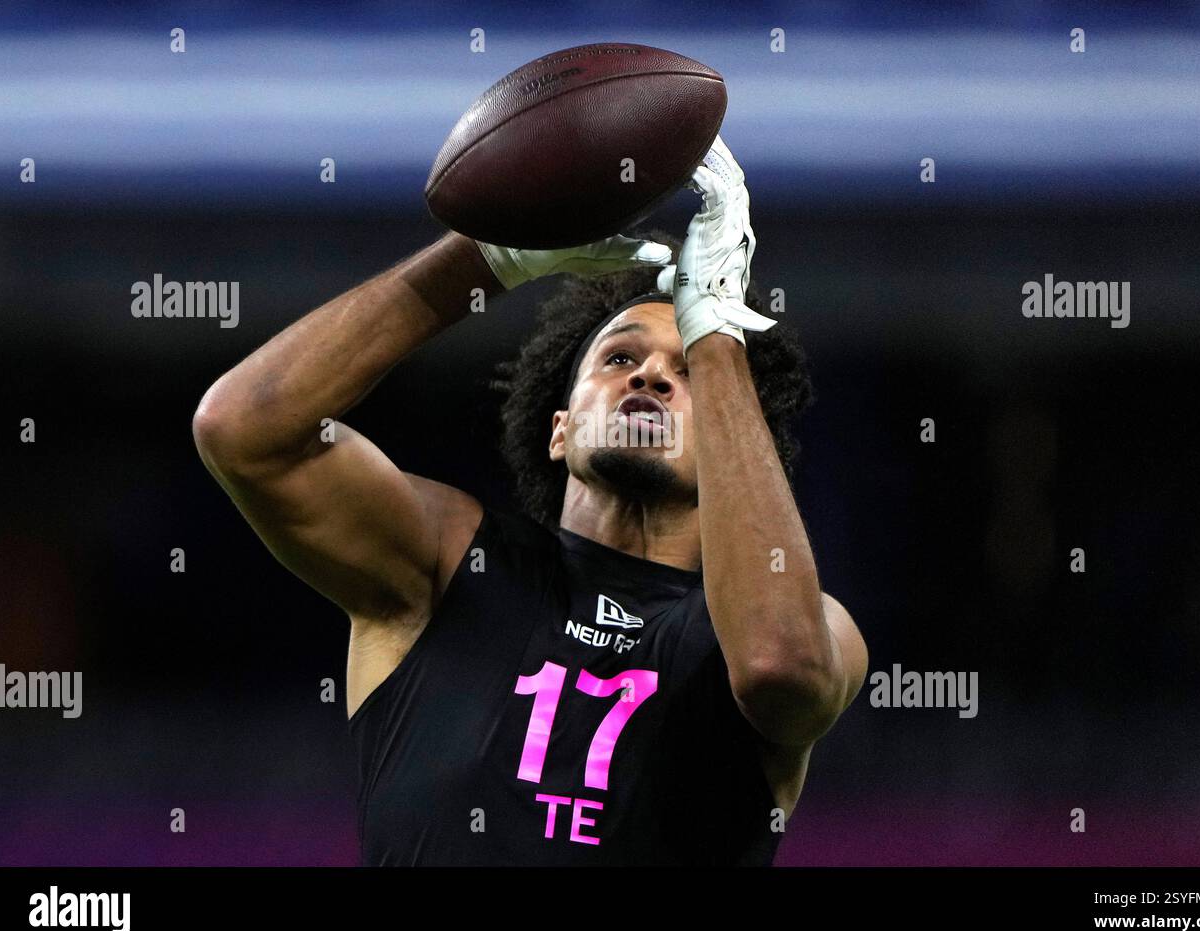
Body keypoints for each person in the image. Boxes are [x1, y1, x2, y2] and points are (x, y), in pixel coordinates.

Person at [193, 136, 868, 864]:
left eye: (690, 371)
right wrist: (486, 258)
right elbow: (245, 432)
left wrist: (719, 333)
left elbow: (781, 672)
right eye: (619, 358)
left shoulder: (795, 630)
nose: (650, 378)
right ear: (559, 429)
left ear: (741, 444)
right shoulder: (450, 561)